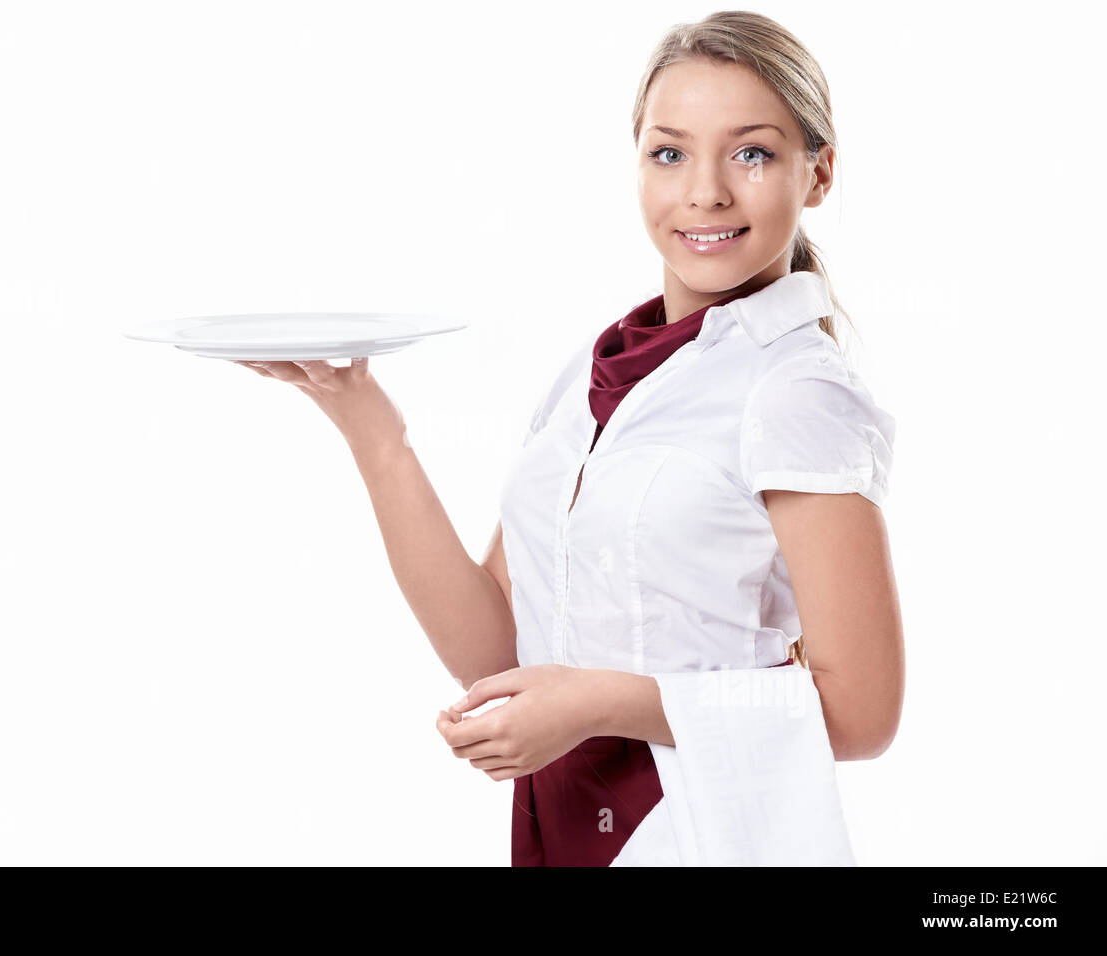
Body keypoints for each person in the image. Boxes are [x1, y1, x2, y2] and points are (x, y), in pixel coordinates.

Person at [234, 10, 903, 866]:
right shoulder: (598, 371)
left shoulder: (796, 389)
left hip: (698, 832)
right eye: (670, 152)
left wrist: (596, 704)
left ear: (819, 173)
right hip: (563, 823)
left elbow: (862, 712)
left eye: (752, 152)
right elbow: (495, 649)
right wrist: (371, 427)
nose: (704, 192)